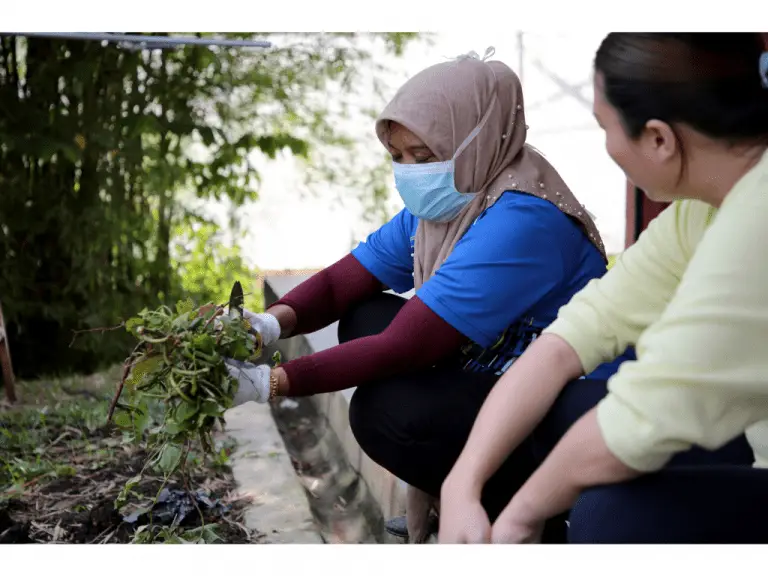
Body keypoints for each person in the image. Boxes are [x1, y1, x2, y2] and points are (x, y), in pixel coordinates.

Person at [224, 49, 629, 542]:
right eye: (398, 158)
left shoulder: (524, 221)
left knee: (388, 416)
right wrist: (266, 325)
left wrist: (270, 382)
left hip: (570, 409)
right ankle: (463, 494)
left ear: (477, 140)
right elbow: (341, 283)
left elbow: (405, 346)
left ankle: (518, 517)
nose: (410, 172)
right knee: (363, 314)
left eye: (424, 157)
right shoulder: (451, 201)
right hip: (502, 376)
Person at [439, 32, 768, 544]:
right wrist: (462, 482)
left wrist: (520, 517)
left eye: (604, 127)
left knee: (610, 517)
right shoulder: (703, 210)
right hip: (750, 436)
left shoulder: (757, 219)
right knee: (559, 418)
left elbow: (647, 410)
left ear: (659, 138)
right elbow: (566, 342)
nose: (608, 146)